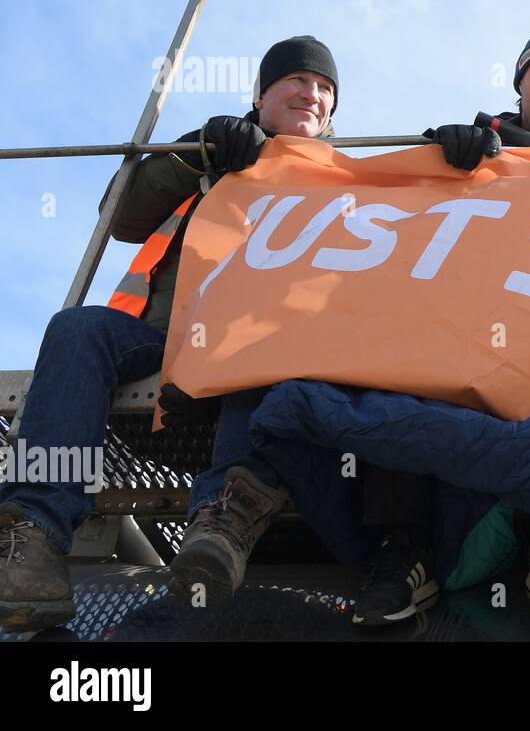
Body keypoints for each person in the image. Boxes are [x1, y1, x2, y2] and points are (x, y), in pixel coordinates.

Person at [0, 35, 341, 632]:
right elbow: (122, 216)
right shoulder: (213, 155)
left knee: (269, 340)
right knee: (78, 329)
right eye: (296, 80)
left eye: (324, 89)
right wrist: (193, 152)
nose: (310, 93)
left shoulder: (353, 177)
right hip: (172, 339)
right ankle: (37, 533)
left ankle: (222, 521)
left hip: (272, 347)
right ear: (260, 96)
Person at [349, 13, 530, 626]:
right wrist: (434, 157)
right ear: (521, 78)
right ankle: (402, 551)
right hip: (463, 323)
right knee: (397, 365)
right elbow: (398, 224)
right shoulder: (472, 144)